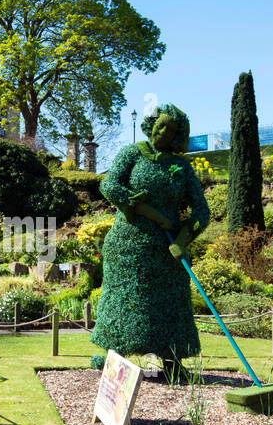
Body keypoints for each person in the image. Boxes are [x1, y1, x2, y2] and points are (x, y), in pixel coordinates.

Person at [90, 104, 209, 380]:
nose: (162, 130)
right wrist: (142, 208)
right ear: (151, 123)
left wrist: (182, 238)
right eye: (160, 123)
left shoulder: (181, 167)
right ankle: (113, 356)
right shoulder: (132, 154)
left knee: (171, 301)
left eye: (170, 128)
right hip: (127, 244)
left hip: (167, 250)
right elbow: (109, 185)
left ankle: (173, 361)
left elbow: (202, 211)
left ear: (177, 135)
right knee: (121, 299)